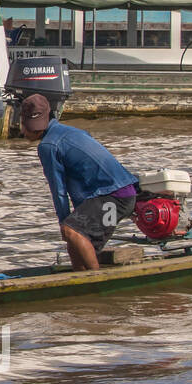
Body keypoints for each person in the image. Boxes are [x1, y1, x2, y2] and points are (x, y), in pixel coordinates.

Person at [19, 93, 139, 271]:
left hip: (113, 197)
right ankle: (80, 277)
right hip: (125, 196)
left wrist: (63, 222)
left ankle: (95, 281)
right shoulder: (72, 131)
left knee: (71, 231)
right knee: (77, 237)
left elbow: (58, 190)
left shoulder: (48, 146)